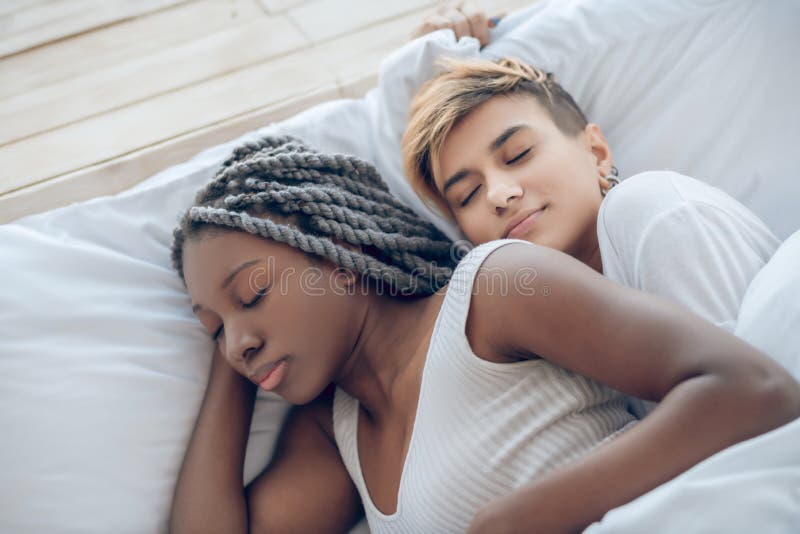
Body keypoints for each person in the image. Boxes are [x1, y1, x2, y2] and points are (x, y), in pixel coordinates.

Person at [168, 135, 800, 534]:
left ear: (337, 247)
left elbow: (752, 386)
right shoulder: (333, 434)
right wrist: (230, 344)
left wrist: (515, 521)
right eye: (214, 330)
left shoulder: (491, 292)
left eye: (253, 293)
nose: (236, 343)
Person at [401, 55, 785, 415]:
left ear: (597, 152)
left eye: (518, 155)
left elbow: (749, 410)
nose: (499, 195)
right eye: (468, 195)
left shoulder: (648, 208)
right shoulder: (539, 338)